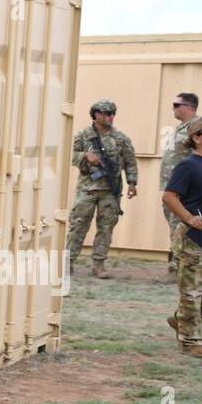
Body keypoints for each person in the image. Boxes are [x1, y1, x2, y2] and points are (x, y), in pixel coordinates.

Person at [162, 115, 202, 358]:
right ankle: (190, 341)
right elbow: (169, 196)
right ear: (196, 138)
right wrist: (189, 218)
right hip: (194, 238)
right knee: (192, 292)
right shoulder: (188, 166)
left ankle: (181, 320)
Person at [67, 99, 138, 279]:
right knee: (78, 225)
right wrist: (85, 156)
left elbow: (130, 161)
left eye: (113, 113)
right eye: (107, 113)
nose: (110, 117)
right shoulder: (83, 135)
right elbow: (69, 155)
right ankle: (67, 262)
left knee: (106, 227)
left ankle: (99, 264)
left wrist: (132, 182)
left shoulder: (121, 138)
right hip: (87, 189)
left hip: (110, 190)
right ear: (96, 114)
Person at [161, 92, 198, 276]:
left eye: (177, 104)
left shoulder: (197, 127)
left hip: (184, 189)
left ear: (189, 107)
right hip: (172, 187)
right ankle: (177, 263)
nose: (173, 108)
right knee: (174, 225)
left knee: (180, 225)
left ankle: (179, 266)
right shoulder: (180, 128)